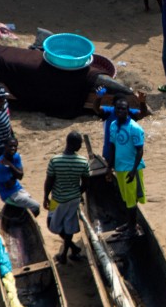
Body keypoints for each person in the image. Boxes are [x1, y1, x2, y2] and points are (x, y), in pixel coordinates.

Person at [43, 132, 92, 262]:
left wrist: (45, 197)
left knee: (51, 223)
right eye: (80, 143)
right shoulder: (83, 161)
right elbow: (86, 184)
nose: (81, 146)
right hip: (73, 199)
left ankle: (67, 252)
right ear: (74, 144)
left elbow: (49, 181)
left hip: (56, 199)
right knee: (69, 225)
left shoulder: (55, 160)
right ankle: (69, 250)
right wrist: (77, 193)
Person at [102, 103, 147, 208]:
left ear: (128, 111)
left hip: (131, 168)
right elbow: (112, 147)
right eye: (118, 109)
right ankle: (131, 222)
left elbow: (140, 150)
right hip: (119, 167)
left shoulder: (134, 128)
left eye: (123, 109)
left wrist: (133, 170)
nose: (120, 111)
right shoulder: (113, 125)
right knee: (126, 198)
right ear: (115, 110)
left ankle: (132, 224)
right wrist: (110, 167)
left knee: (132, 199)